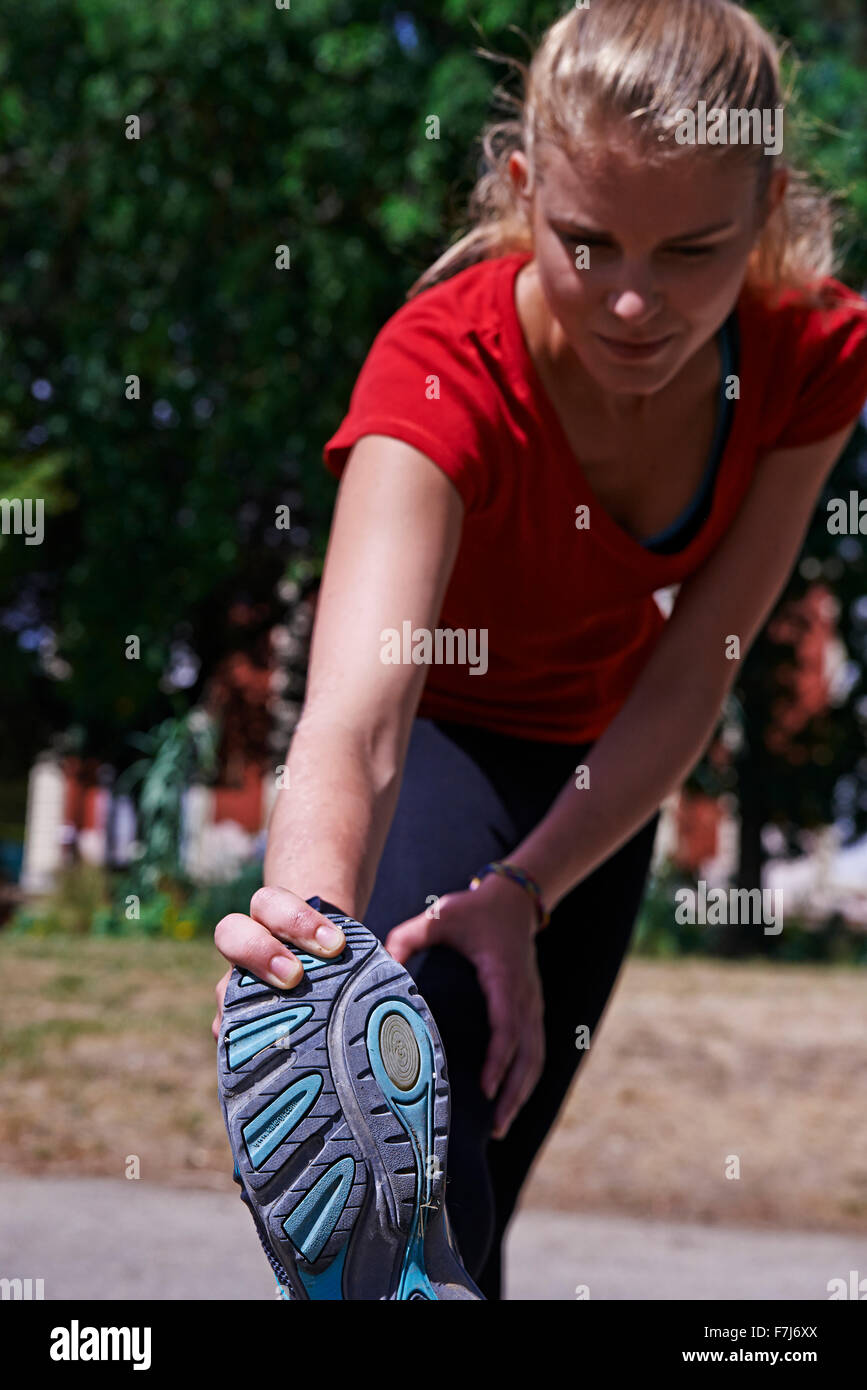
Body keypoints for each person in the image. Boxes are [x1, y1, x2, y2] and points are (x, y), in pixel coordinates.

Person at [212, 0, 867, 1300]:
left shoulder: (810, 355)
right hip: (446, 740)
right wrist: (311, 941)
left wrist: (529, 886)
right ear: (523, 189)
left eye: (693, 249)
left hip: (605, 775)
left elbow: (702, 665)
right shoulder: (440, 375)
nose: (634, 300)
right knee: (408, 1140)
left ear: (767, 205)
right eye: (586, 241)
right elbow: (357, 714)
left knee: (477, 1200)